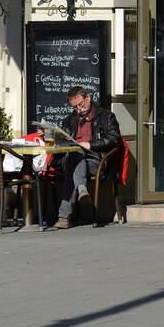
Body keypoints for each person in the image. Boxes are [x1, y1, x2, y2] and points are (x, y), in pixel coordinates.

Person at [54, 87, 122, 229]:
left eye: (81, 104)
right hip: (73, 157)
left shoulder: (106, 116)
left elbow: (114, 139)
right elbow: (62, 143)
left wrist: (90, 144)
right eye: (74, 107)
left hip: (96, 158)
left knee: (74, 163)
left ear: (88, 98)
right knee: (75, 151)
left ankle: (64, 217)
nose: (78, 109)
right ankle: (82, 189)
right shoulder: (69, 120)